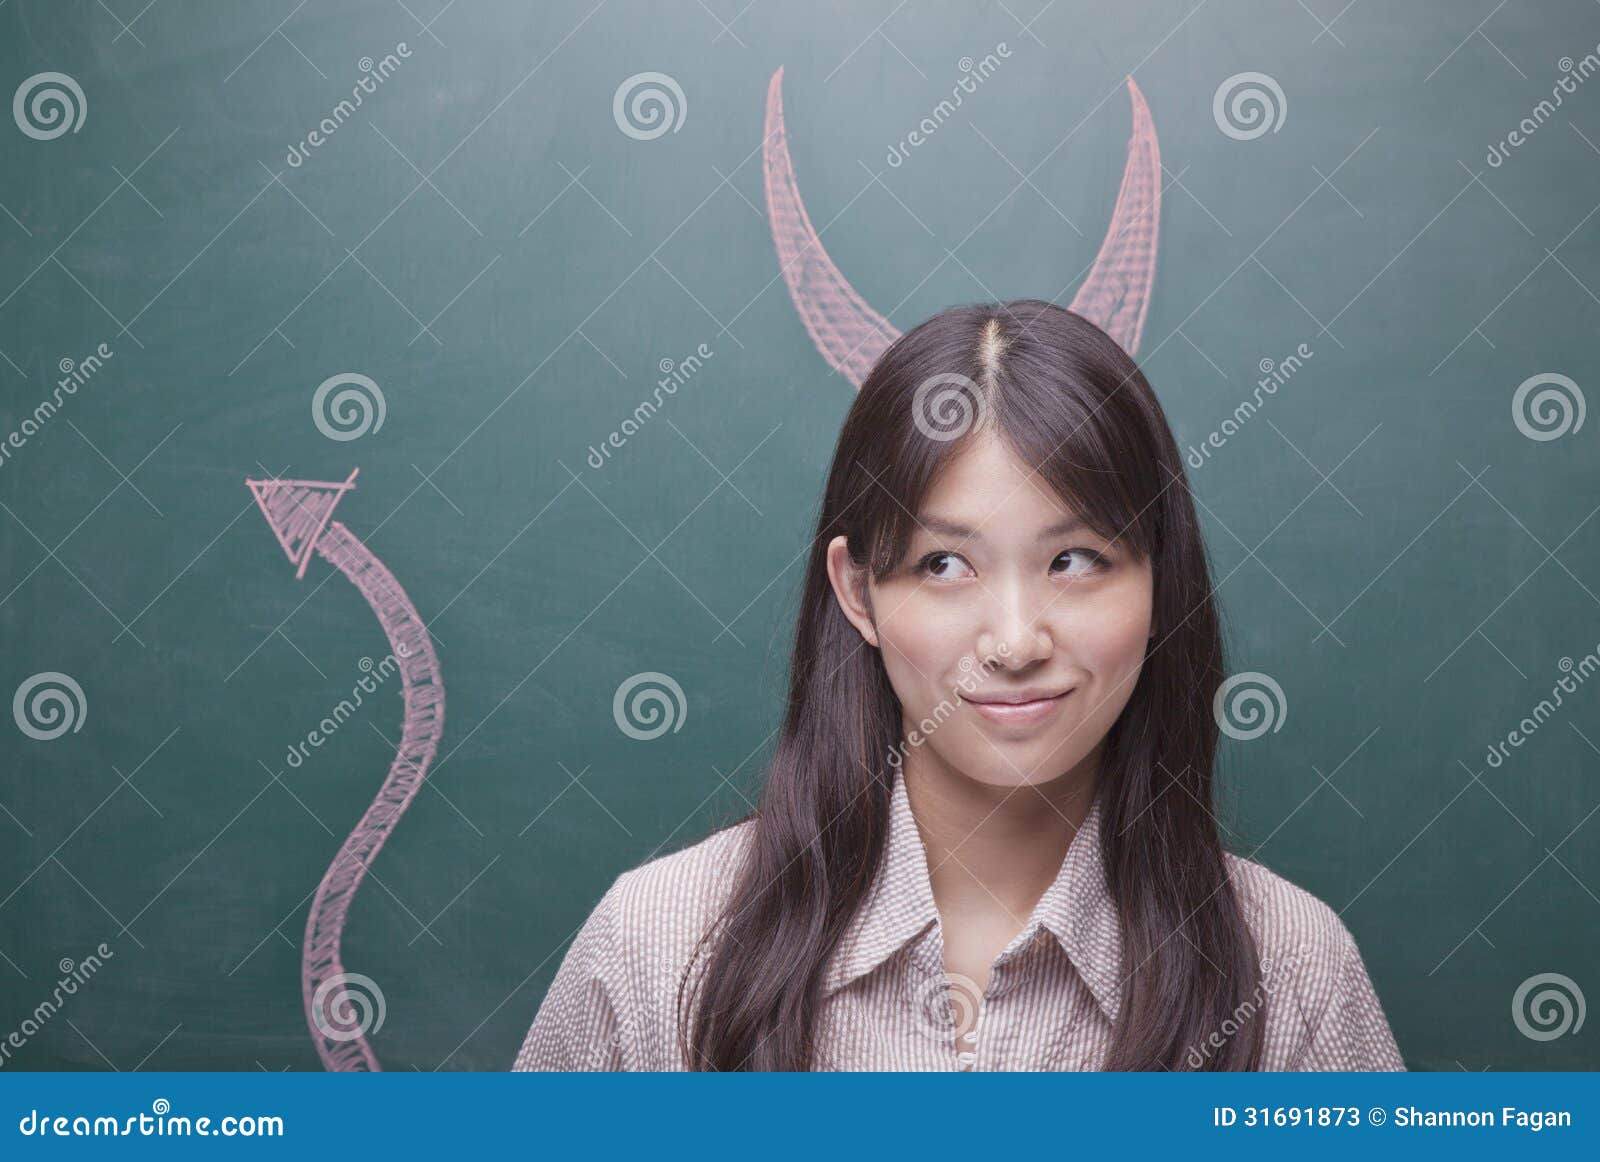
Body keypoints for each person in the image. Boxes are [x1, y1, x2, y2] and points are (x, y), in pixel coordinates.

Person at [512, 300, 1404, 1071]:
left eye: (1077, 560)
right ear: (858, 591)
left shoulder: (1291, 975)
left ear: (1160, 580)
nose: (1016, 641)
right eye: (944, 564)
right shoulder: (659, 945)